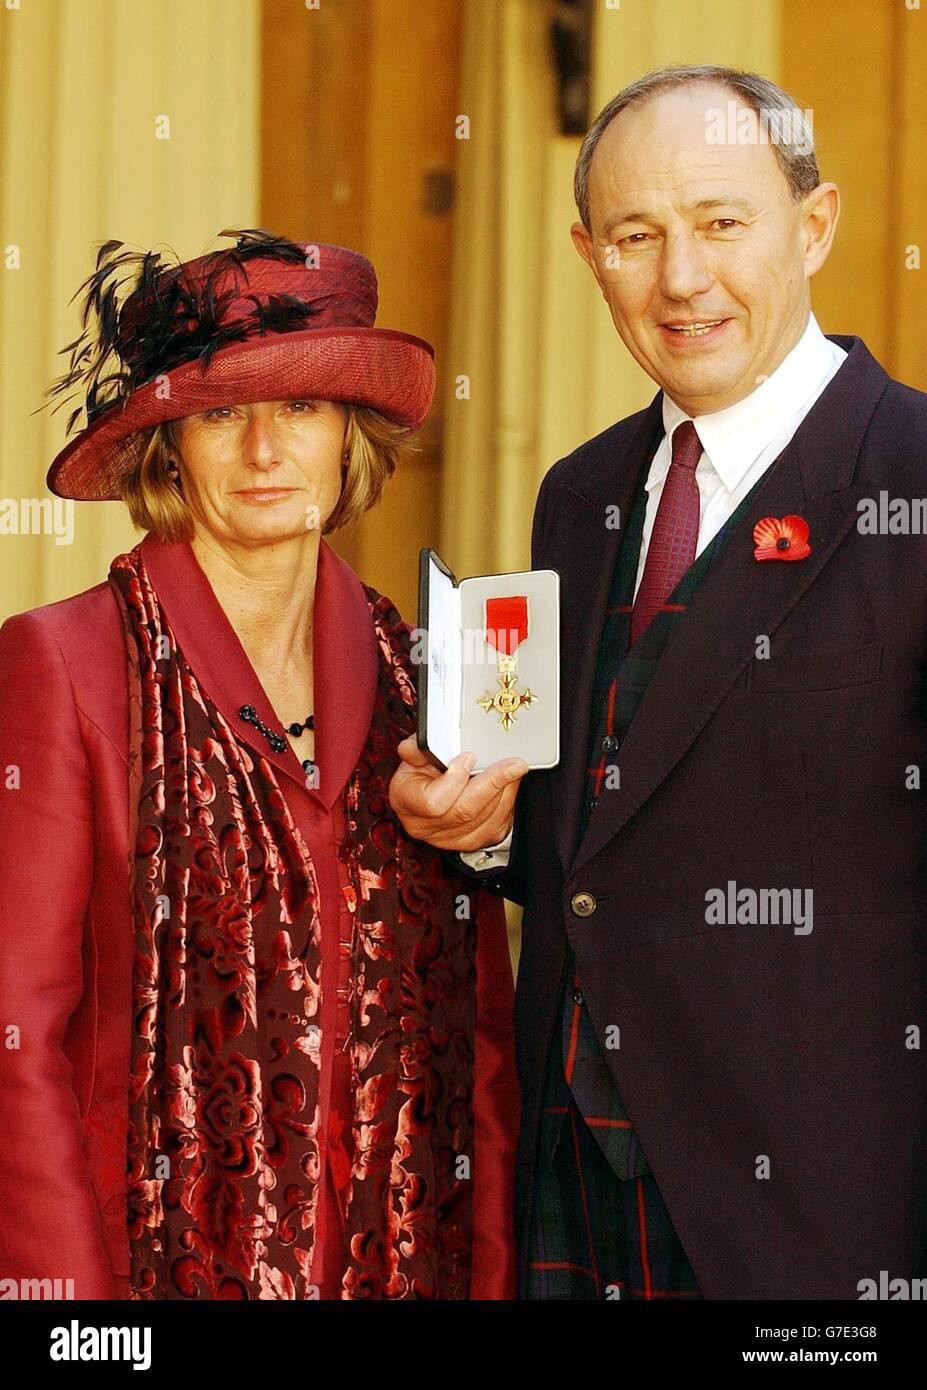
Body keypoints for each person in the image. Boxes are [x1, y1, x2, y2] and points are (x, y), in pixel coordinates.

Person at [389, 65, 927, 1299]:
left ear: (818, 223)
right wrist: (478, 832)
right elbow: (608, 834)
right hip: (571, 1194)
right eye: (637, 237)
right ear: (590, 256)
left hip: (824, 1232)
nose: (681, 278)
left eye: (722, 223)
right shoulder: (578, 496)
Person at [0, 228, 519, 1300]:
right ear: (169, 447)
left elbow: (484, 1044)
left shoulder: (431, 667)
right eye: (220, 414)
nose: (264, 453)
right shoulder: (63, 662)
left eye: (300, 408)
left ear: (347, 435)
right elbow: (18, 1038)